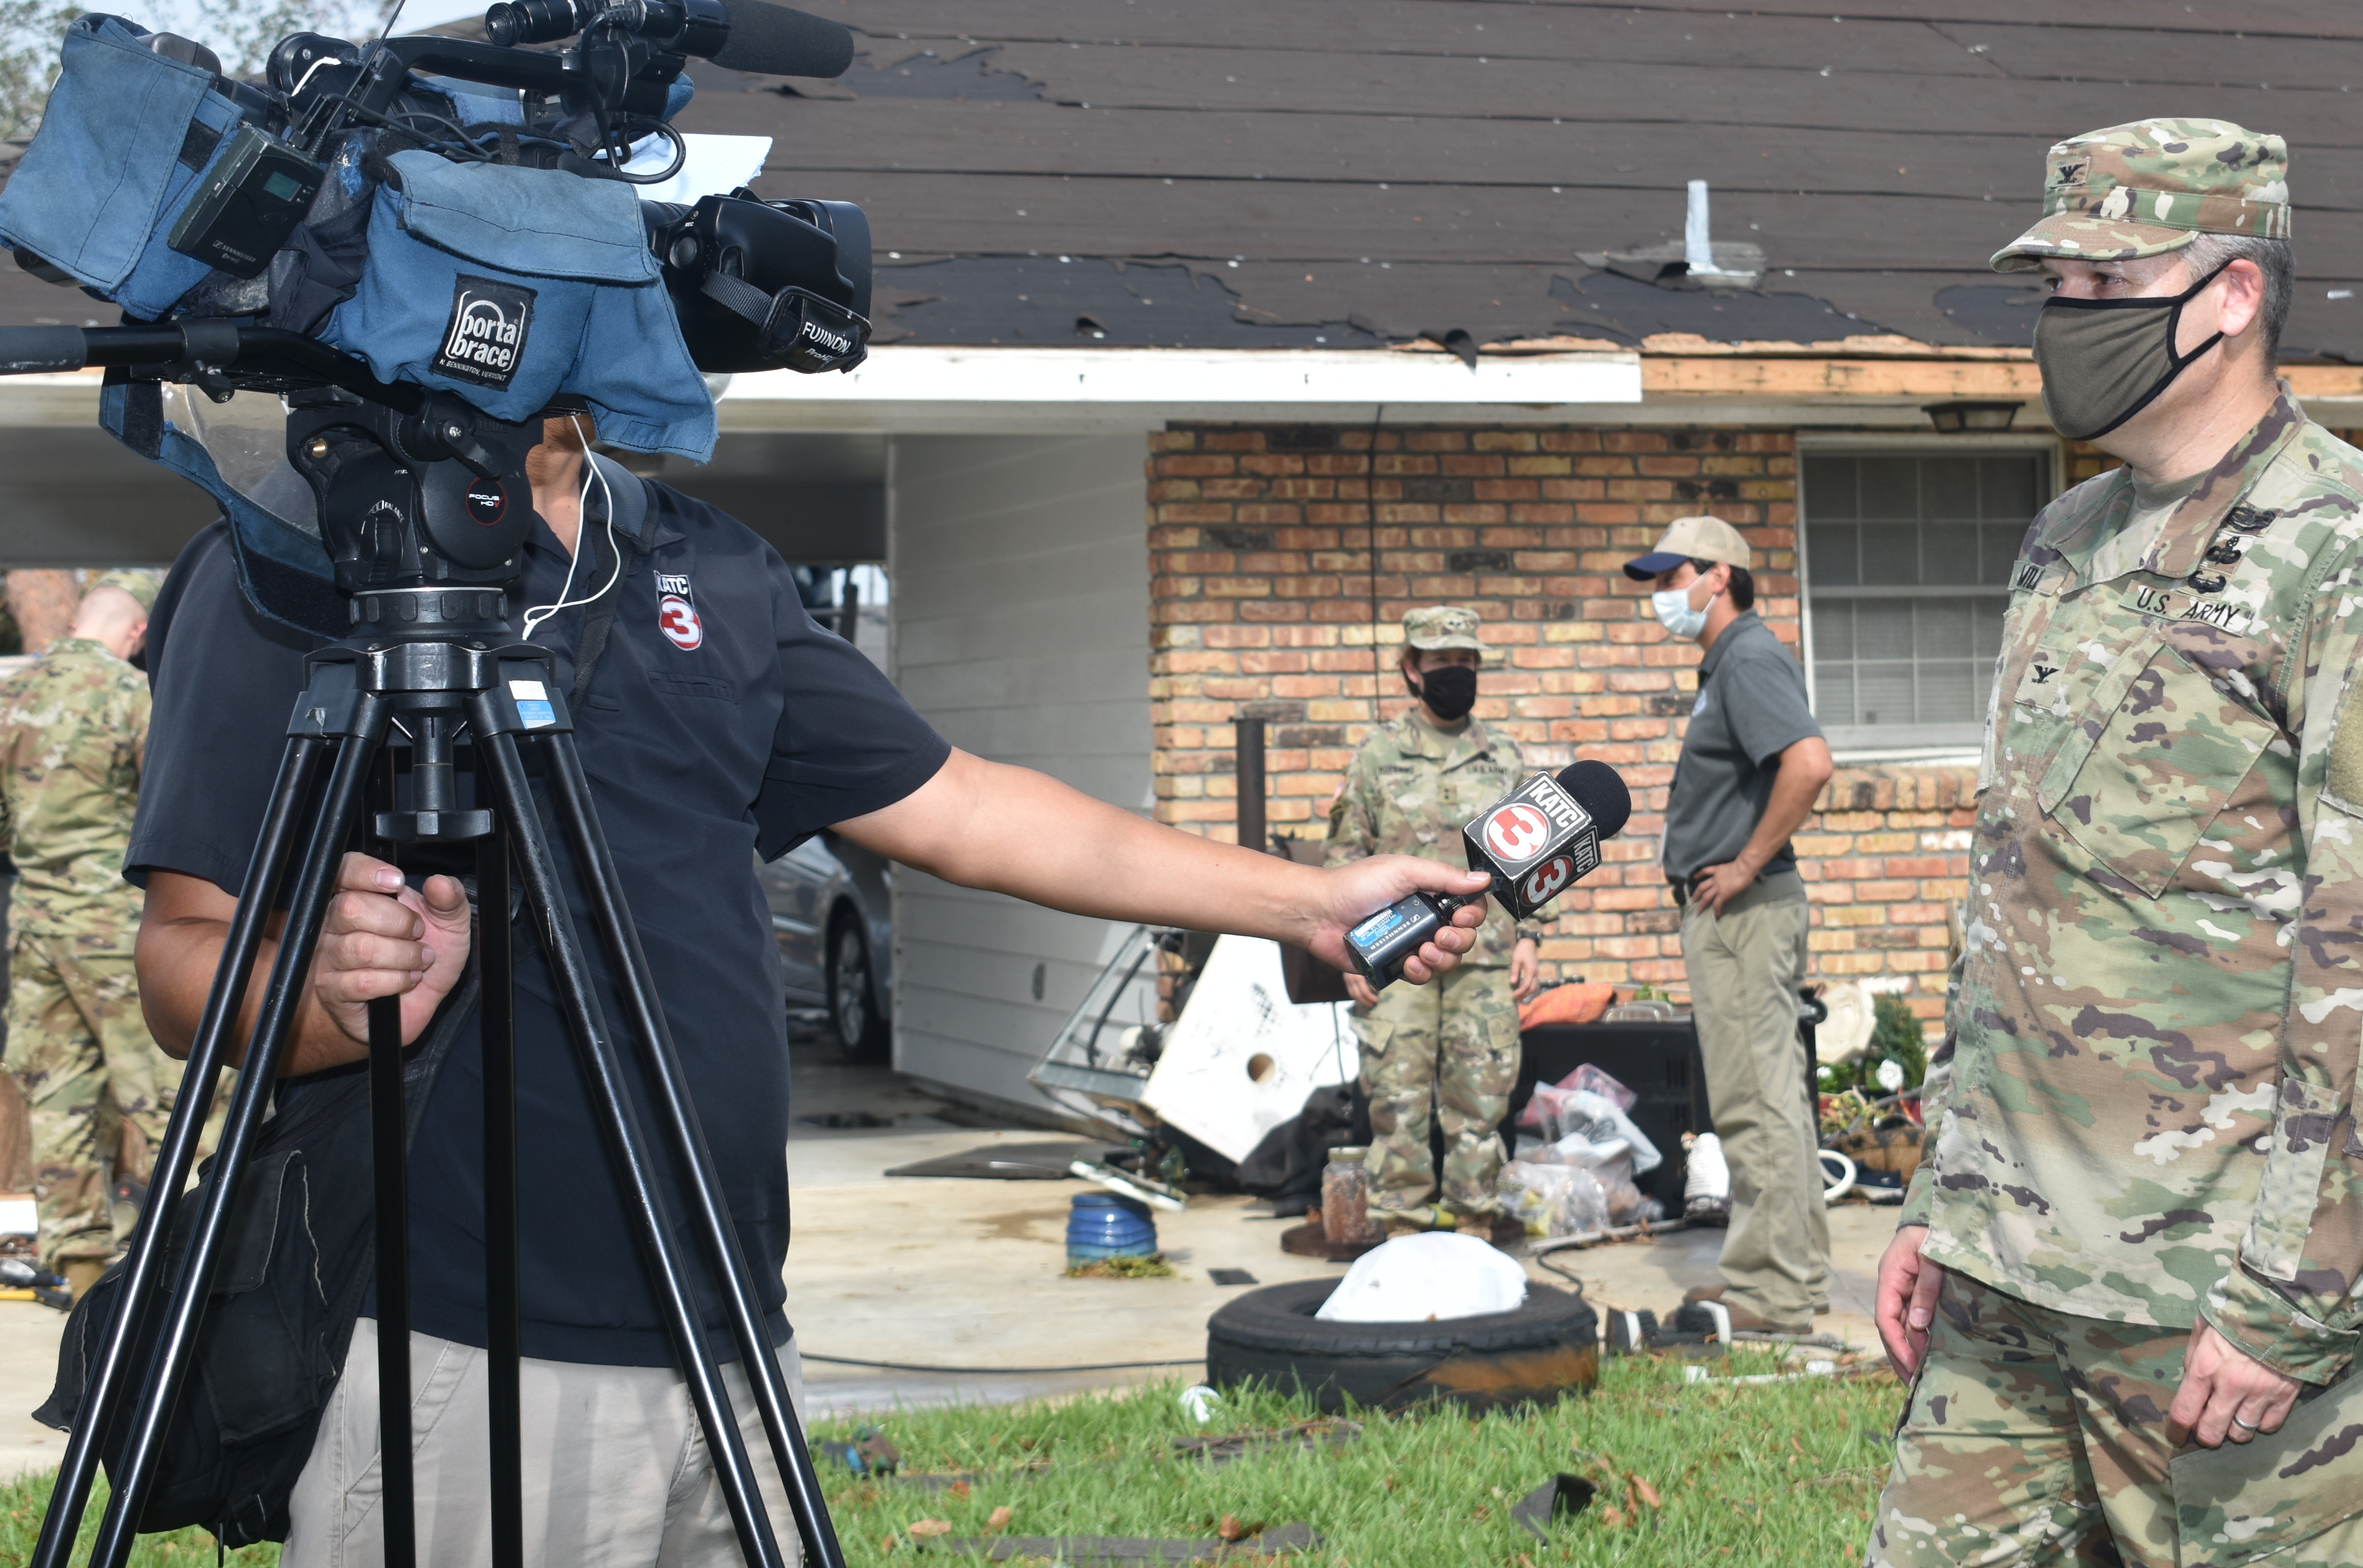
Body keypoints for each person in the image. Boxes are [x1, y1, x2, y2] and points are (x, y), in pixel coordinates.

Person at [130, 414, 1489, 1568]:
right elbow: (183, 962)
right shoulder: (297, 560)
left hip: (731, 1336)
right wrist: (325, 989)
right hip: (465, 1349)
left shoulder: (702, 563)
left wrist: (1311, 900)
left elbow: (964, 808)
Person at [1869, 119, 2363, 1568]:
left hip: (2226, 1298)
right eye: (2058, 288)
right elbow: (2017, 914)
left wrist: (2298, 1293)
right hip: (2007, 1283)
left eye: (2107, 284)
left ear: (2231, 295)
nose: (2067, 321)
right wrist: (1940, 1197)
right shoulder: (2067, 542)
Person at [1621, 515, 1835, 1334]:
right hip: (1738, 913)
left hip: (1743, 910)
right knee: (1769, 1098)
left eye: (1673, 578)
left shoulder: (1747, 655)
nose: (1663, 595)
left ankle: (1774, 1296)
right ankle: (1786, 1278)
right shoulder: (1734, 661)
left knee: (1756, 1103)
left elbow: (1809, 762)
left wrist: (1745, 863)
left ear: (1720, 577)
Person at [1324, 606, 1553, 1239]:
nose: (1455, 672)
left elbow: (1535, 854)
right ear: (1410, 670)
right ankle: (1400, 1232)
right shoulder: (1377, 754)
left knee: (1480, 1100)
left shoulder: (1503, 755)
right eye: (1440, 663)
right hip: (1399, 957)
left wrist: (1532, 938)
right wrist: (1351, 955)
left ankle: (1475, 1228)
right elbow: (1345, 854)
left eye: (1465, 662)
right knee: (1396, 1098)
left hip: (1485, 954)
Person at [0, 571, 163, 1302]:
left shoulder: (12, 693)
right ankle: (187, 1256)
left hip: (34, 921)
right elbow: (166, 807)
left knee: (56, 1093)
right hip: (111, 925)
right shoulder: (130, 695)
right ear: (135, 634)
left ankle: (76, 1268)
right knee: (167, 1092)